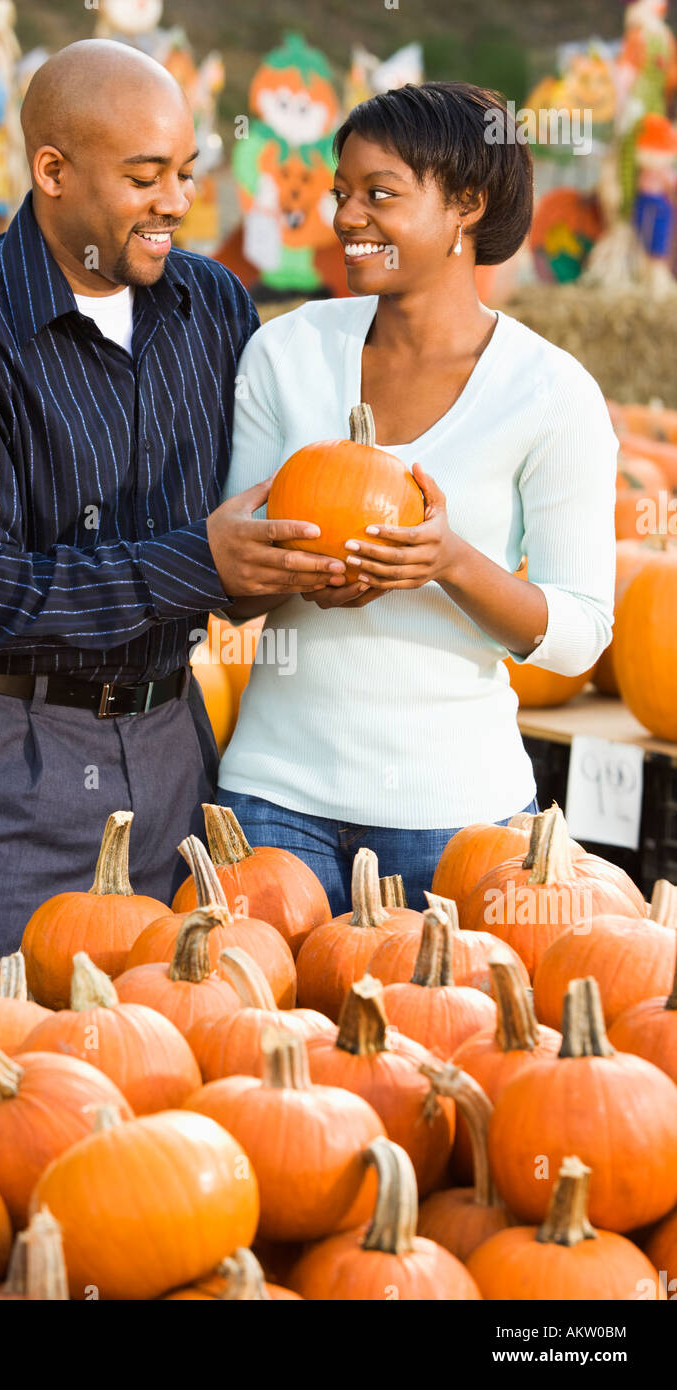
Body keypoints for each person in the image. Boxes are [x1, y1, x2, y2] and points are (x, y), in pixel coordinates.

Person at [0, 40, 347, 956]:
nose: (176, 201)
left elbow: (244, 525)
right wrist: (198, 563)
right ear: (52, 169)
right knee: (6, 1040)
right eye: (143, 177)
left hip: (173, 735)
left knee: (170, 1050)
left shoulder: (212, 306)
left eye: (184, 172)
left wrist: (314, 556)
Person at [217, 82, 618, 915]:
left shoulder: (549, 394)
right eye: (342, 193)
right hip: (270, 804)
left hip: (460, 819)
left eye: (381, 194)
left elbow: (579, 633)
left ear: (466, 206)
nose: (347, 216)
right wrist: (292, 573)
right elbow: (231, 590)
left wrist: (450, 562)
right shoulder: (282, 353)